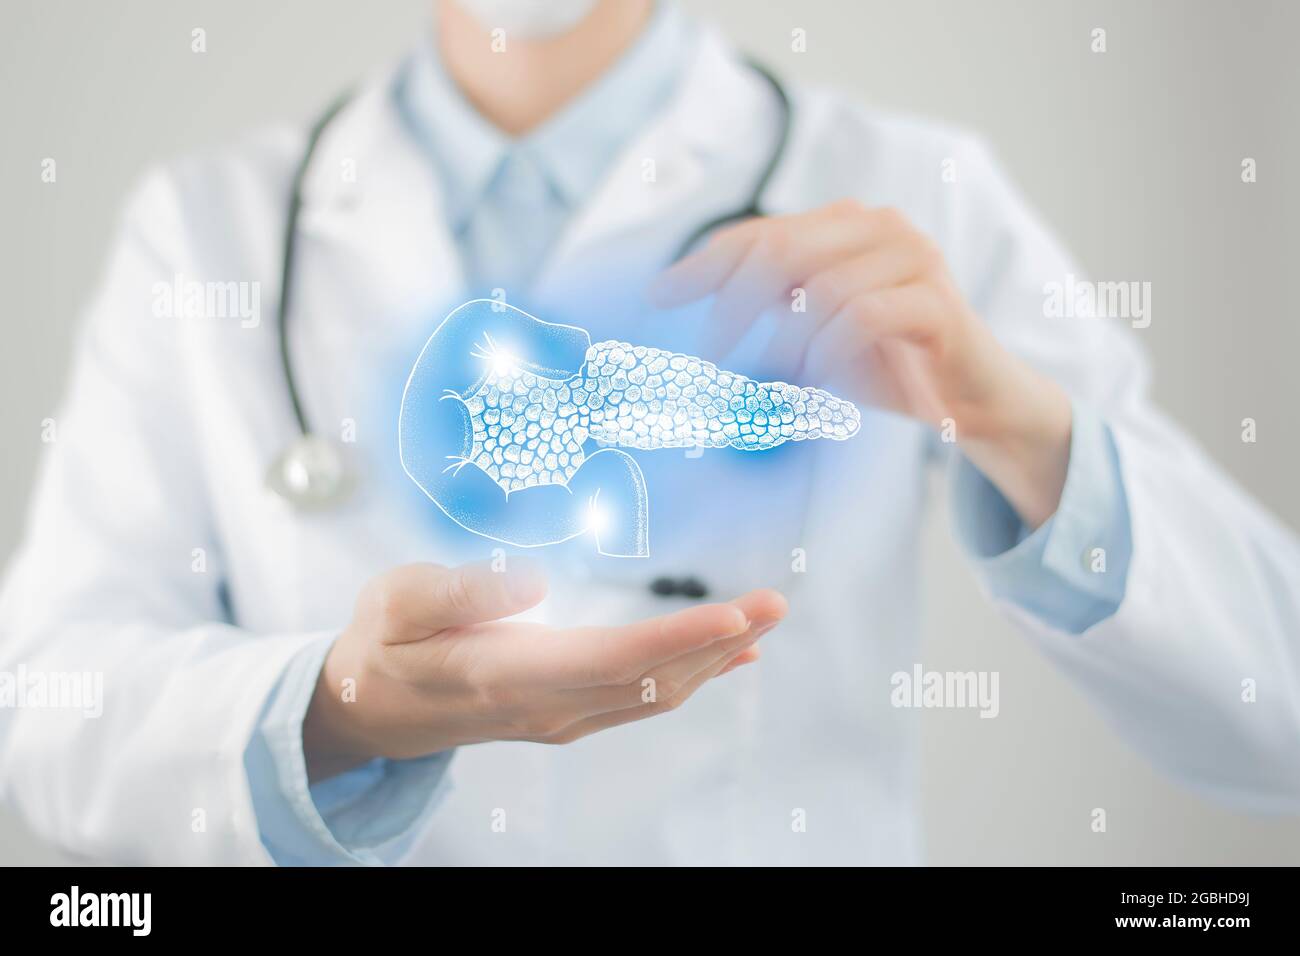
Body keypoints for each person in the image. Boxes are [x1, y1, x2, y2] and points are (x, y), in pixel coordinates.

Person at [1, 0, 1297, 866]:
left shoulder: (910, 187)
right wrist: (333, 713)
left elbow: (1274, 713)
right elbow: (43, 710)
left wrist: (1021, 426)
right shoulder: (208, 226)